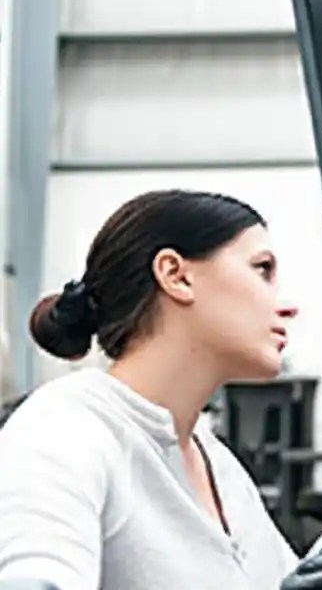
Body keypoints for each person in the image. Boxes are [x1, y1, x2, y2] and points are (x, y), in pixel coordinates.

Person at [0, 190, 302, 590]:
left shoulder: (217, 463)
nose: (288, 306)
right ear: (176, 275)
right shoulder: (65, 429)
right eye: (262, 269)